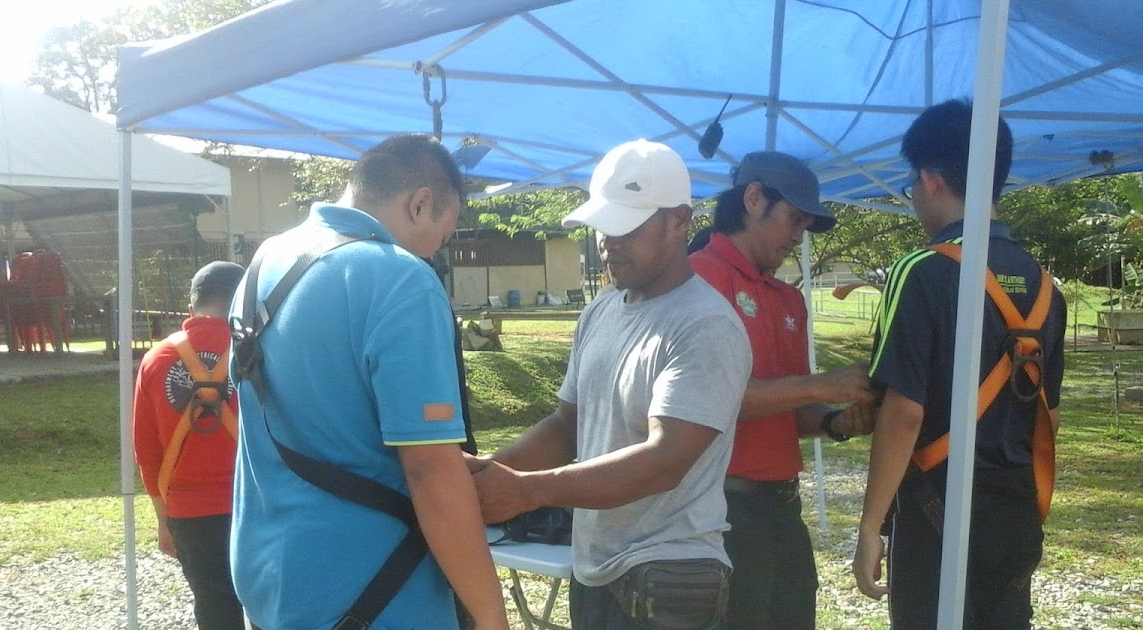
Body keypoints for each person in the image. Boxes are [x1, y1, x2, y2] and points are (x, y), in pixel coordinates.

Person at [469, 139, 752, 630]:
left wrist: (527, 493)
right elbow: (567, 425)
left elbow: (664, 462)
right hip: (596, 564)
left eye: (627, 227)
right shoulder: (601, 311)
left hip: (668, 572)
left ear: (679, 222)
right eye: (604, 227)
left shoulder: (706, 325)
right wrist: (492, 473)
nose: (609, 242)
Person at [228, 135, 509, 630]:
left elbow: (312, 413)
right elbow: (430, 472)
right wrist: (491, 617)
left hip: (270, 572)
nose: (436, 251)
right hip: (372, 587)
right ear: (421, 203)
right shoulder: (399, 277)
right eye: (444, 234)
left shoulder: (265, 261)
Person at [852, 99, 1067, 629]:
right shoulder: (1045, 286)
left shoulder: (921, 271)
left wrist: (870, 525)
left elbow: (903, 413)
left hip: (938, 506)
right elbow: (1049, 415)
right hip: (1015, 506)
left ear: (929, 179)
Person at [688, 151, 877, 630]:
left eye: (806, 225)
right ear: (753, 199)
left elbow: (793, 406)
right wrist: (825, 383)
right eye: (794, 219)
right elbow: (713, 400)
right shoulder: (695, 279)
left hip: (783, 509)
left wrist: (834, 420)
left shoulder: (788, 297)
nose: (798, 235)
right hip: (719, 511)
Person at [133, 260, 247, 630]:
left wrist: (163, 520)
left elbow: (146, 451)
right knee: (269, 607)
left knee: (214, 609)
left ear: (190, 308)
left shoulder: (155, 360)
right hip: (256, 506)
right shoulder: (259, 352)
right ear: (242, 302)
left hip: (190, 514)